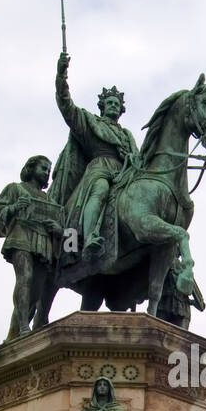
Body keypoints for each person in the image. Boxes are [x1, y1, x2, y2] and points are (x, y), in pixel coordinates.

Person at [49, 51, 139, 266]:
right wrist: (61, 75)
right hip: (100, 168)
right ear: (102, 106)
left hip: (125, 173)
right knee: (100, 189)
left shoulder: (127, 134)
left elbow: (138, 157)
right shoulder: (89, 122)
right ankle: (90, 237)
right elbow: (66, 105)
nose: (113, 106)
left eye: (117, 104)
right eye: (109, 103)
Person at [0, 155, 63, 340]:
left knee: (37, 289)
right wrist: (14, 207)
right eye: (43, 168)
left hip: (42, 240)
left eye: (48, 170)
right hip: (21, 234)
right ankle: (23, 327)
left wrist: (58, 229)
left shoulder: (49, 200)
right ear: (31, 168)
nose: (46, 173)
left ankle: (14, 332)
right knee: (25, 277)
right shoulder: (16, 188)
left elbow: (60, 225)